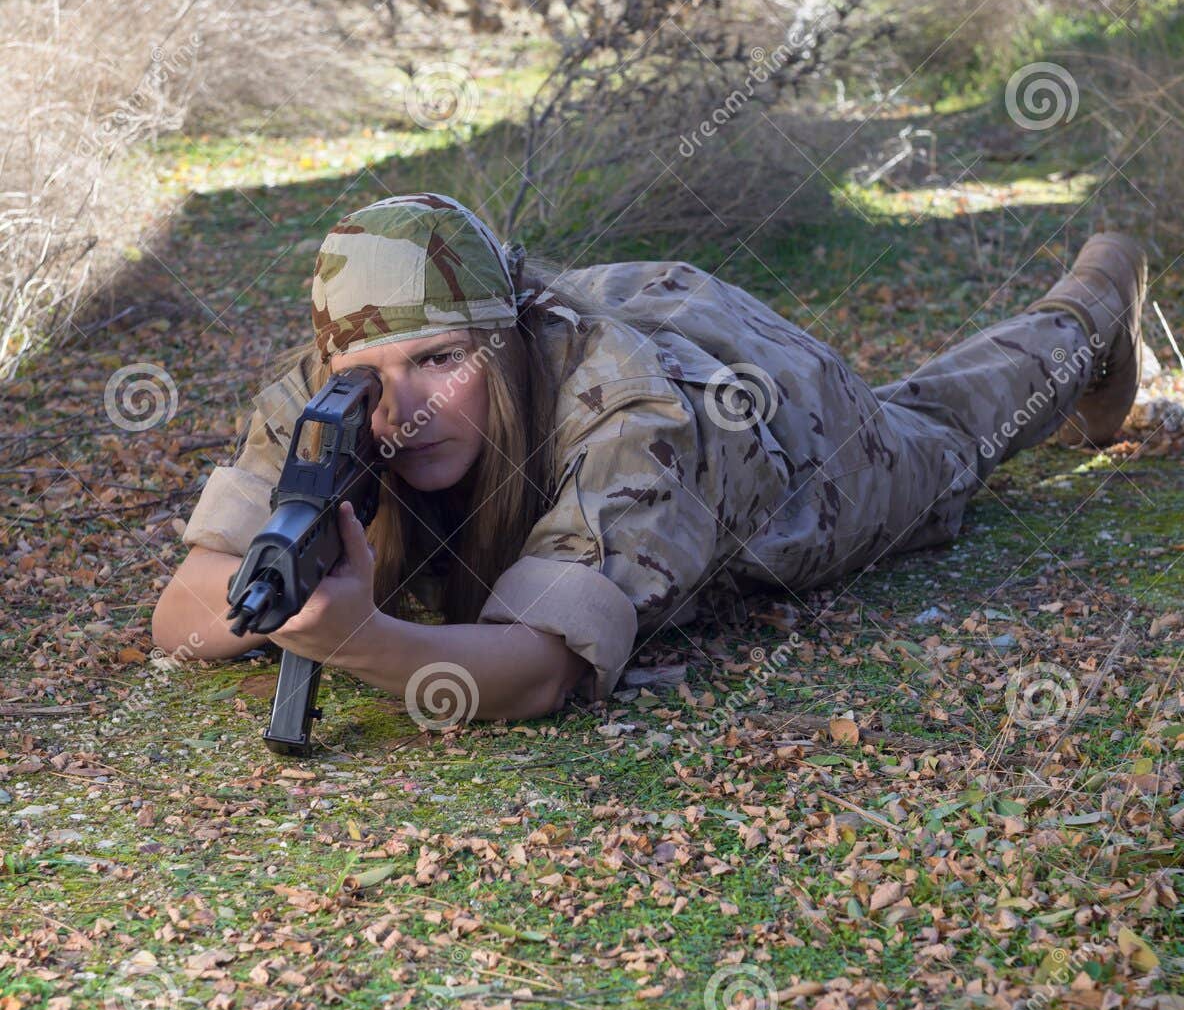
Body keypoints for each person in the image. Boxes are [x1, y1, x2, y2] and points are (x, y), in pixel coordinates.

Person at [152, 192, 1148, 724]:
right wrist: (269, 587)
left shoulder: (627, 407)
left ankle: (1093, 302)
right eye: (371, 372)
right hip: (589, 305)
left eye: (441, 362)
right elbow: (180, 616)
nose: (399, 409)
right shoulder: (330, 397)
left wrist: (359, 637)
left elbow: (539, 673)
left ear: (500, 344)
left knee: (936, 439)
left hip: (776, 432)